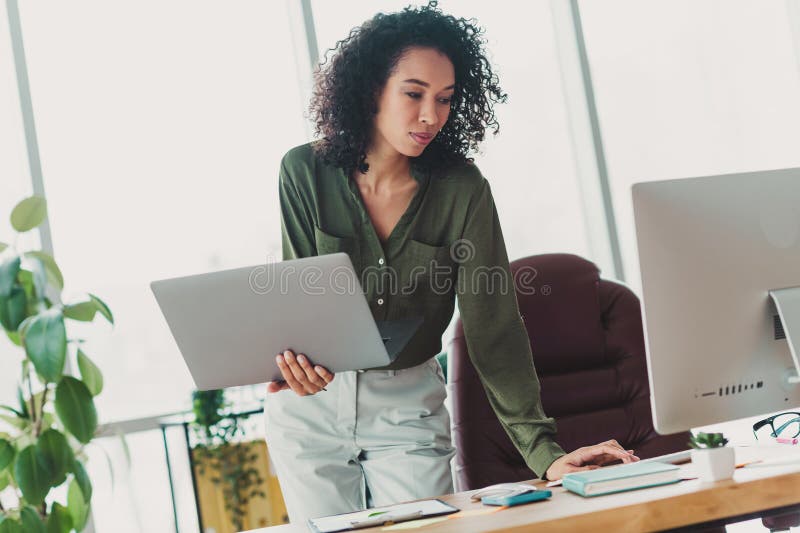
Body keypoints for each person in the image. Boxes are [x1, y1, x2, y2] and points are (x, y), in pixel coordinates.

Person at [265, 1, 638, 523]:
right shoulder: (303, 172)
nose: (430, 116)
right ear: (372, 87)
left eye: (444, 99)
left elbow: (495, 330)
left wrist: (547, 456)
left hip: (406, 408)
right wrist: (296, 369)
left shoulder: (462, 191)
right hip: (311, 410)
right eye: (413, 94)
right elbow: (302, 308)